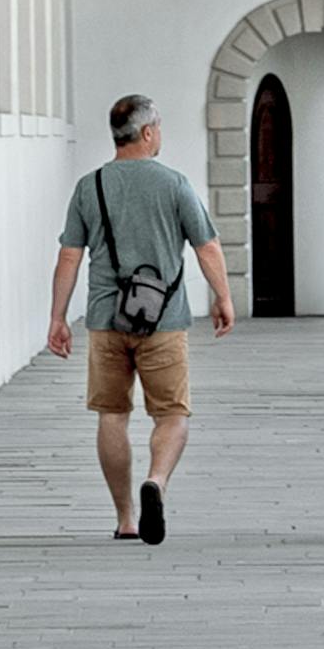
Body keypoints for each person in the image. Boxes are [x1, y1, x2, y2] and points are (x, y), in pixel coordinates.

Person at [49, 89, 232, 541]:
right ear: (148, 132)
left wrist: (57, 318)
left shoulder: (89, 187)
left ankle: (126, 518)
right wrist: (223, 297)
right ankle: (157, 480)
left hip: (105, 321)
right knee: (172, 415)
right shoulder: (173, 184)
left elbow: (69, 256)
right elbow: (206, 245)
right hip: (163, 321)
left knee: (112, 415)